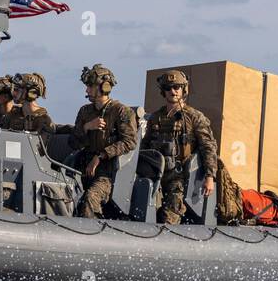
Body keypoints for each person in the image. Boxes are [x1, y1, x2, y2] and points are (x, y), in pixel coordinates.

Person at [141, 70, 218, 224]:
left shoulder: (194, 117)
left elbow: (208, 147)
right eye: (168, 88)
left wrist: (210, 177)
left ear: (184, 89)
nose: (173, 91)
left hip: (180, 178)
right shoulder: (155, 117)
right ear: (163, 91)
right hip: (155, 175)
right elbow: (145, 146)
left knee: (169, 216)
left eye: (177, 87)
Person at [69, 64, 137, 218]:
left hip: (107, 173)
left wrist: (100, 156)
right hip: (81, 168)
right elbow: (73, 142)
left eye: (90, 87)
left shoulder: (121, 111)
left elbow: (130, 142)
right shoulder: (85, 111)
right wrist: (87, 127)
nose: (86, 90)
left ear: (104, 87)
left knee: (90, 199)